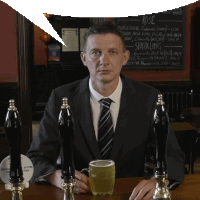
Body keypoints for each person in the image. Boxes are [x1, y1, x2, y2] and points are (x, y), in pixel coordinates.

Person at [27, 21, 185, 200]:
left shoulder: (149, 98)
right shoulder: (61, 98)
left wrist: (159, 181)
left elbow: (174, 156)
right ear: (84, 58)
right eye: (96, 52)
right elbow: (36, 157)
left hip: (130, 195)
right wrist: (54, 176)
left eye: (113, 52)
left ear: (125, 57)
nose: (104, 61)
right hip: (80, 195)